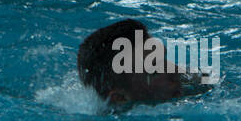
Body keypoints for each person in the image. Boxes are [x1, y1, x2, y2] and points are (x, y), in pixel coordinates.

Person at [77, 19, 213, 108]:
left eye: (163, 58)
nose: (174, 70)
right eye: (154, 70)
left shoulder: (190, 80)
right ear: (120, 98)